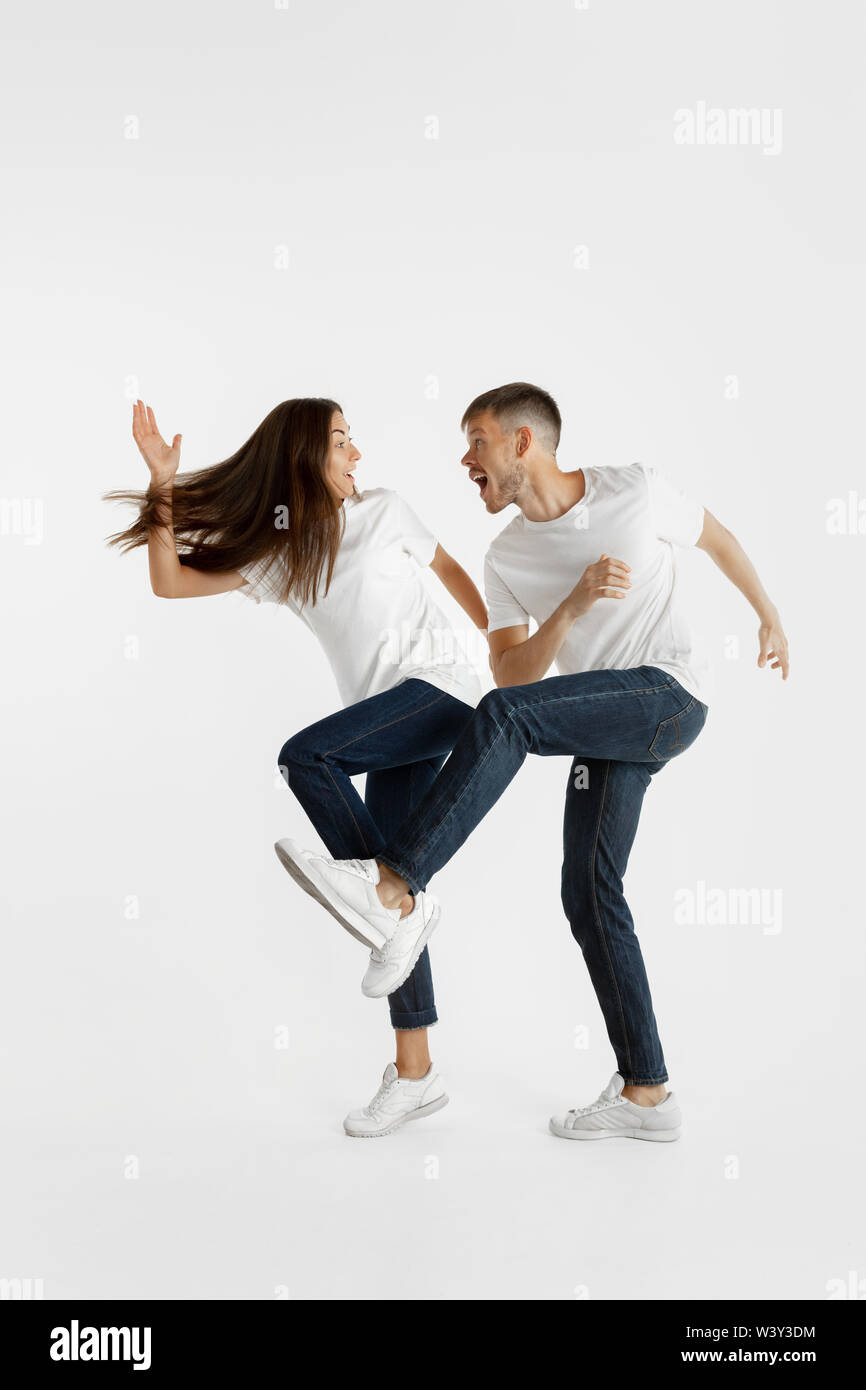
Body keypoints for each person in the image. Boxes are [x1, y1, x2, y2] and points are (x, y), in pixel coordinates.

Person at [275, 382, 790, 1142]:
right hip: (605, 725)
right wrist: (572, 609)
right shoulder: (507, 557)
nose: (464, 459)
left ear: (523, 442)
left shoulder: (637, 493)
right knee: (586, 889)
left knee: (506, 722)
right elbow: (513, 675)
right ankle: (648, 1090)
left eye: (476, 442)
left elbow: (715, 536)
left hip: (670, 694)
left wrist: (769, 615)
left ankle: (393, 888)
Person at [105, 397, 487, 1137]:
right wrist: (161, 481)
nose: (357, 454)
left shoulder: (385, 510)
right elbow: (170, 581)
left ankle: (396, 908)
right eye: (342, 440)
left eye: (353, 439)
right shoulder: (286, 552)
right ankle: (416, 1071)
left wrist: (507, 647)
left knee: (306, 755)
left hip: (443, 691)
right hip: (390, 724)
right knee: (387, 886)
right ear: (304, 455)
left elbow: (451, 570)